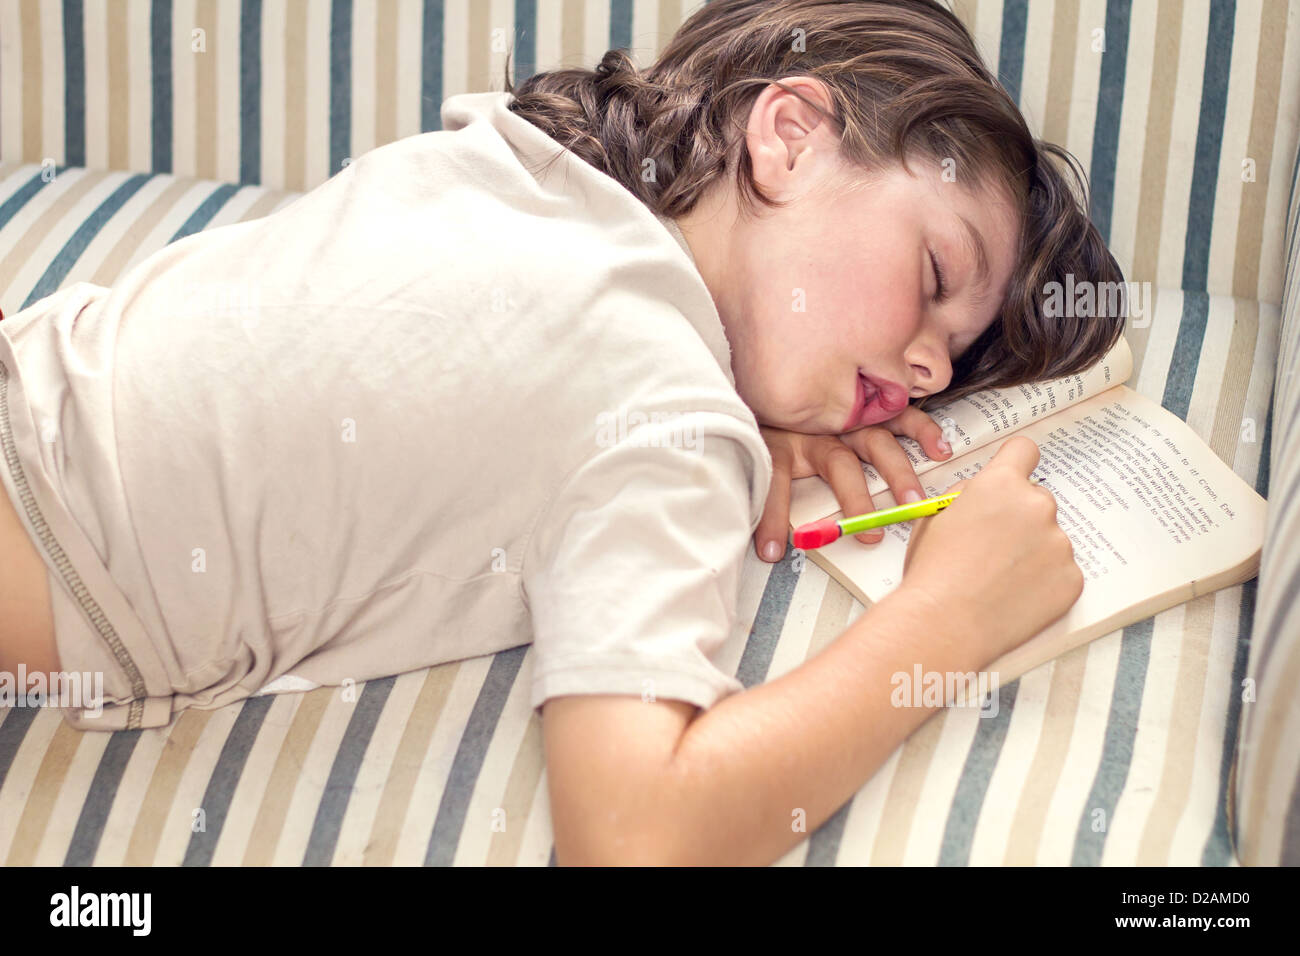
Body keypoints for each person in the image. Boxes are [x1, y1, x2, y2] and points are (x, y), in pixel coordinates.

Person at [0, 0, 1121, 864]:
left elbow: (493, 376)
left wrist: (751, 401)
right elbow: (634, 828)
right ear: (788, 136)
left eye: (950, 362)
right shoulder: (663, 419)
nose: (927, 364)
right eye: (932, 276)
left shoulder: (532, 161)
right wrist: (946, 619)